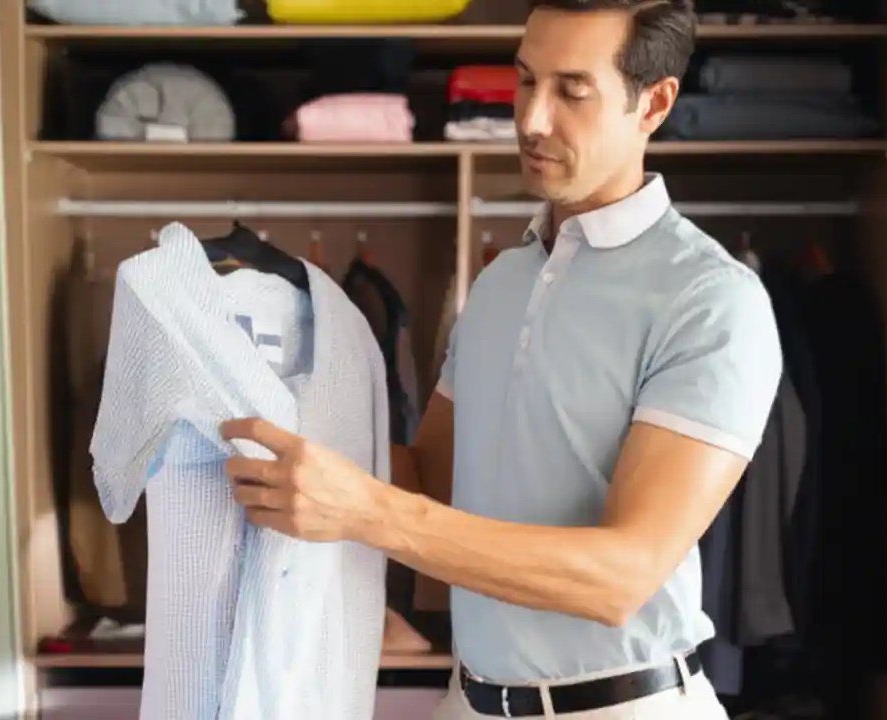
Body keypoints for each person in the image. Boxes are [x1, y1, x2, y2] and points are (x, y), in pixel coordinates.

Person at [220, 1, 783, 717]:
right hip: (470, 699)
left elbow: (621, 576)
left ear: (655, 103)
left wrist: (364, 510)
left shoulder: (711, 300)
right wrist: (258, 432)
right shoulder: (500, 282)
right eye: (525, 81)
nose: (532, 119)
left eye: (572, 91)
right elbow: (432, 477)